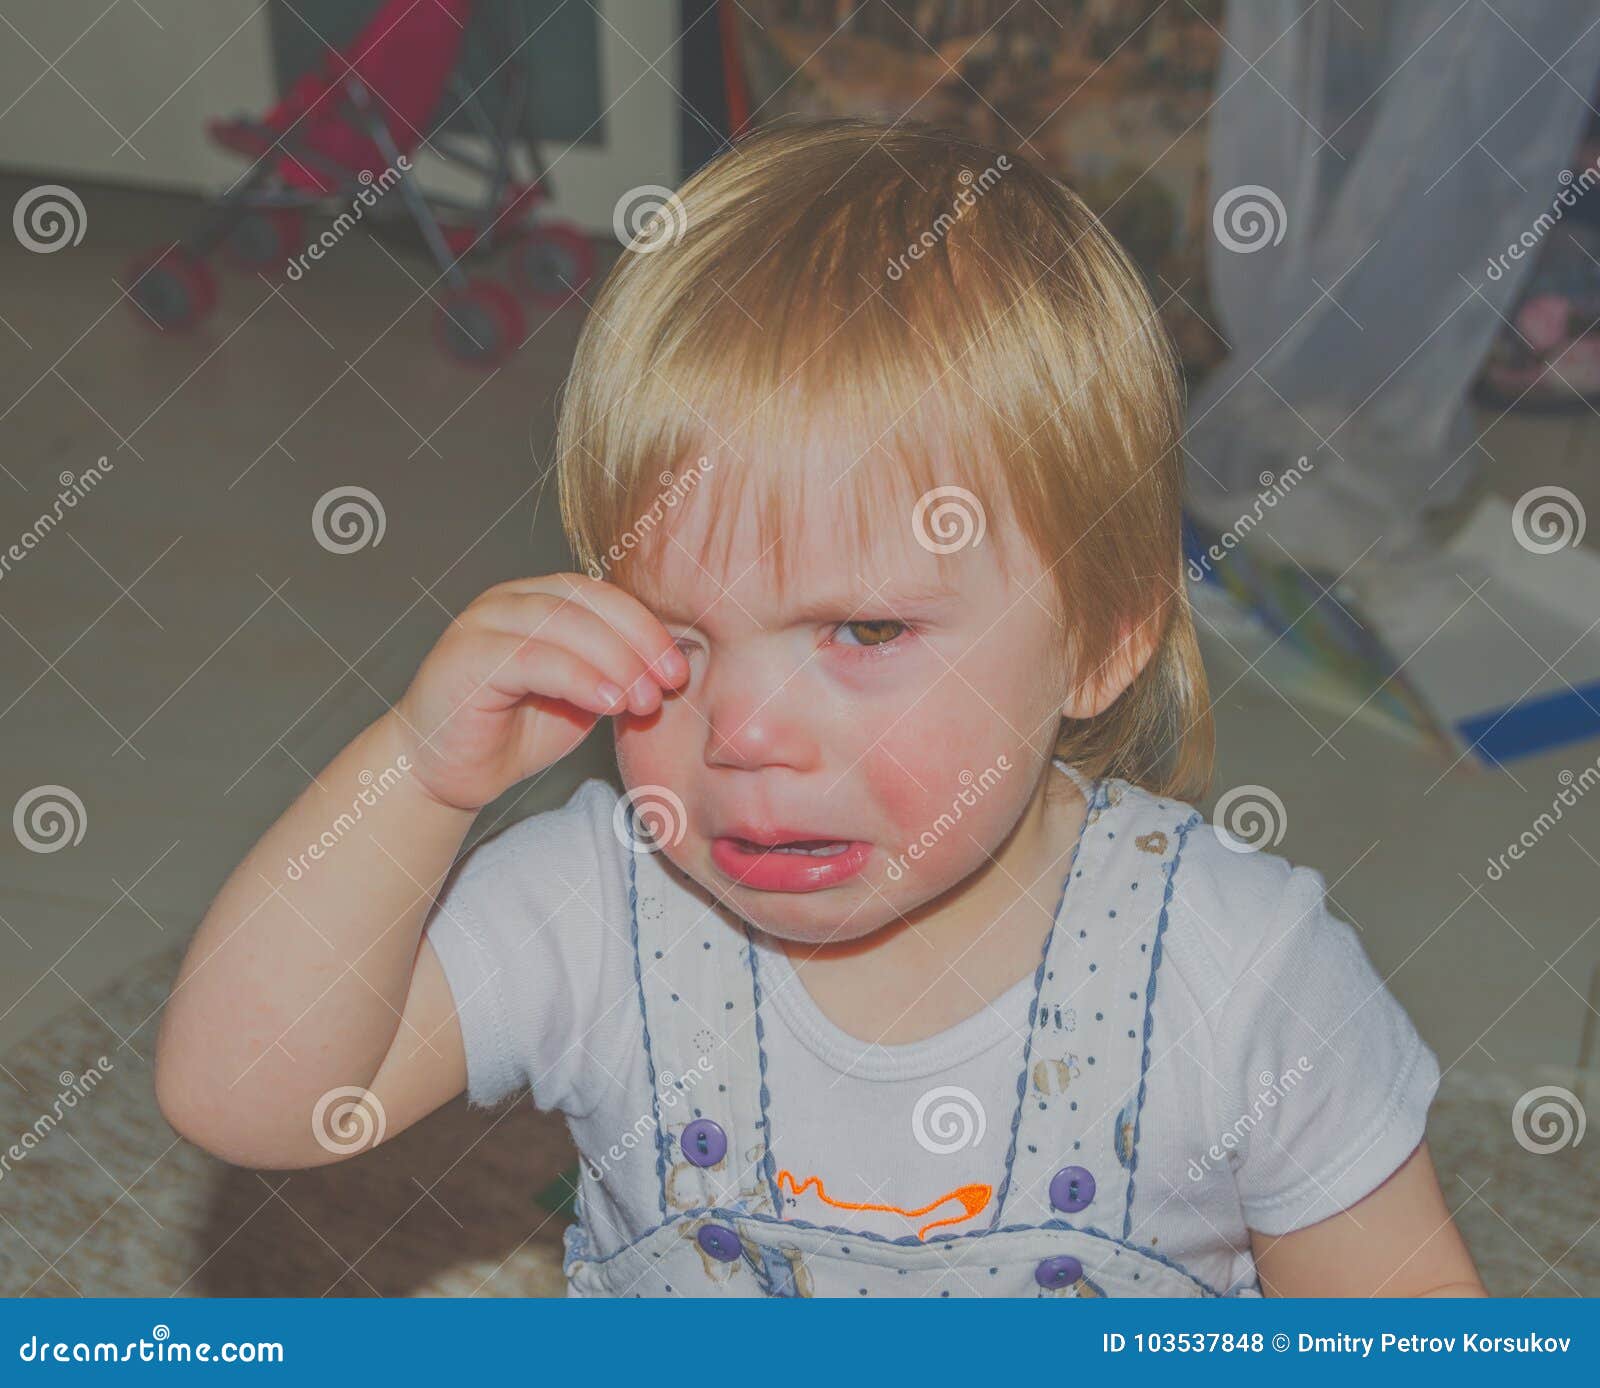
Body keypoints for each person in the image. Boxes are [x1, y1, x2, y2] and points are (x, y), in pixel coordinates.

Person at [154, 116, 1485, 1299]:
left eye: (863, 630)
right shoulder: (601, 905)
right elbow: (251, 1099)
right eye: (677, 636)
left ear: (1102, 640)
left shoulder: (1243, 977)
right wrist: (419, 776)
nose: (742, 734)